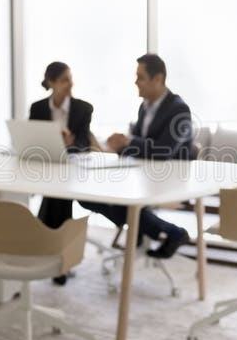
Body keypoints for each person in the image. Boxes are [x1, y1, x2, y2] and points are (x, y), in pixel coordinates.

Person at [80, 53, 194, 259]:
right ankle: (167, 230)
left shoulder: (180, 110)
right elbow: (140, 148)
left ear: (158, 79)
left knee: (116, 201)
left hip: (169, 178)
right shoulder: (145, 107)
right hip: (142, 175)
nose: (135, 82)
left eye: (140, 77)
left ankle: (149, 227)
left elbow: (164, 150)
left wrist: (129, 141)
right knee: (86, 197)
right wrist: (118, 146)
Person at [29, 61, 94, 285]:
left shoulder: (84, 108)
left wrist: (70, 142)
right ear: (51, 83)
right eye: (65, 79)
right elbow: (32, 139)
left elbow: (85, 143)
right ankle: (58, 257)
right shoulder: (37, 108)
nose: (70, 84)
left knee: (58, 194)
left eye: (70, 78)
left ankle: (46, 246)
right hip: (45, 166)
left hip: (73, 166)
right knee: (56, 193)